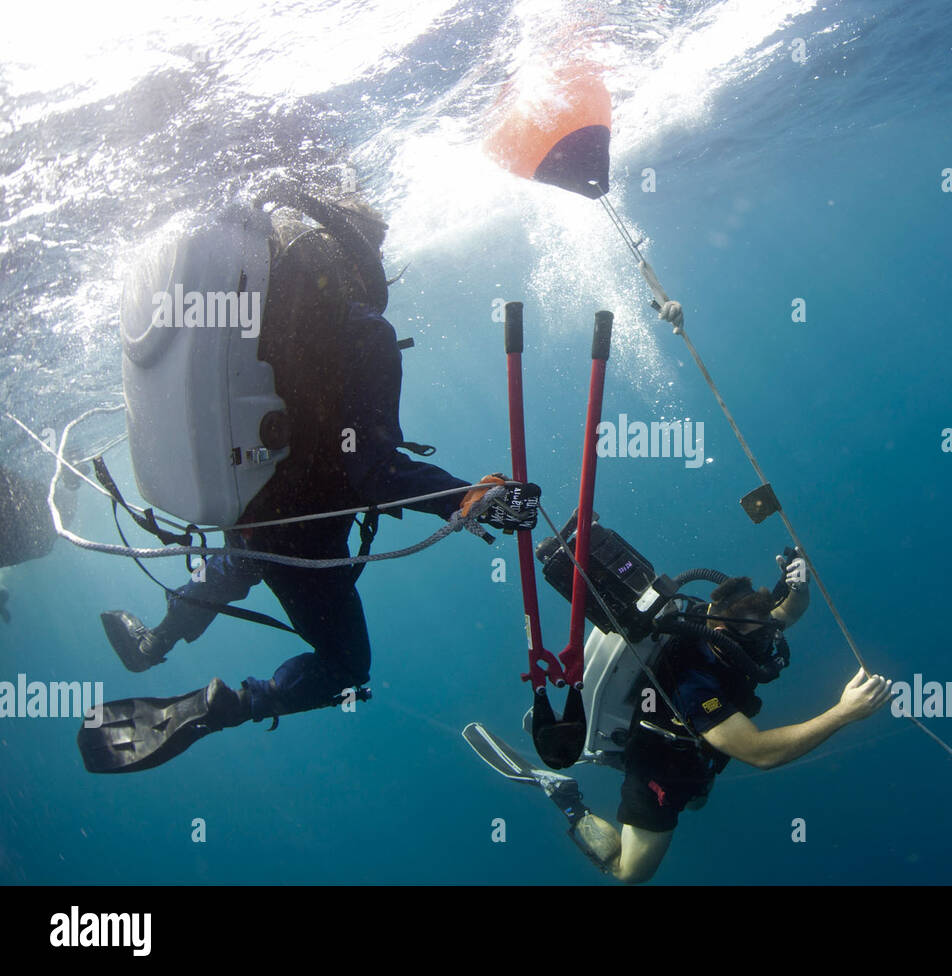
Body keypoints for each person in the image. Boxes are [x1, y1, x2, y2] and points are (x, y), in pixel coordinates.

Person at [81, 184, 537, 773]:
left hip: (249, 511)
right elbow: (373, 471)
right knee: (347, 669)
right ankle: (231, 703)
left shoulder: (263, 314)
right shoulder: (365, 333)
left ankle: (154, 643)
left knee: (237, 563)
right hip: (303, 538)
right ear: (362, 254)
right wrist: (466, 497)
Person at [466, 552, 892, 882]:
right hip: (659, 770)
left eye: (767, 631)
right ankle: (566, 799)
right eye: (759, 636)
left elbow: (786, 613)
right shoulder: (696, 681)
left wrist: (798, 584)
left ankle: (675, 780)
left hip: (695, 753)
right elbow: (761, 753)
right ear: (719, 632)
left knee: (700, 796)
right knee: (631, 873)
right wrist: (843, 713)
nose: (768, 642)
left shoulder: (737, 631)